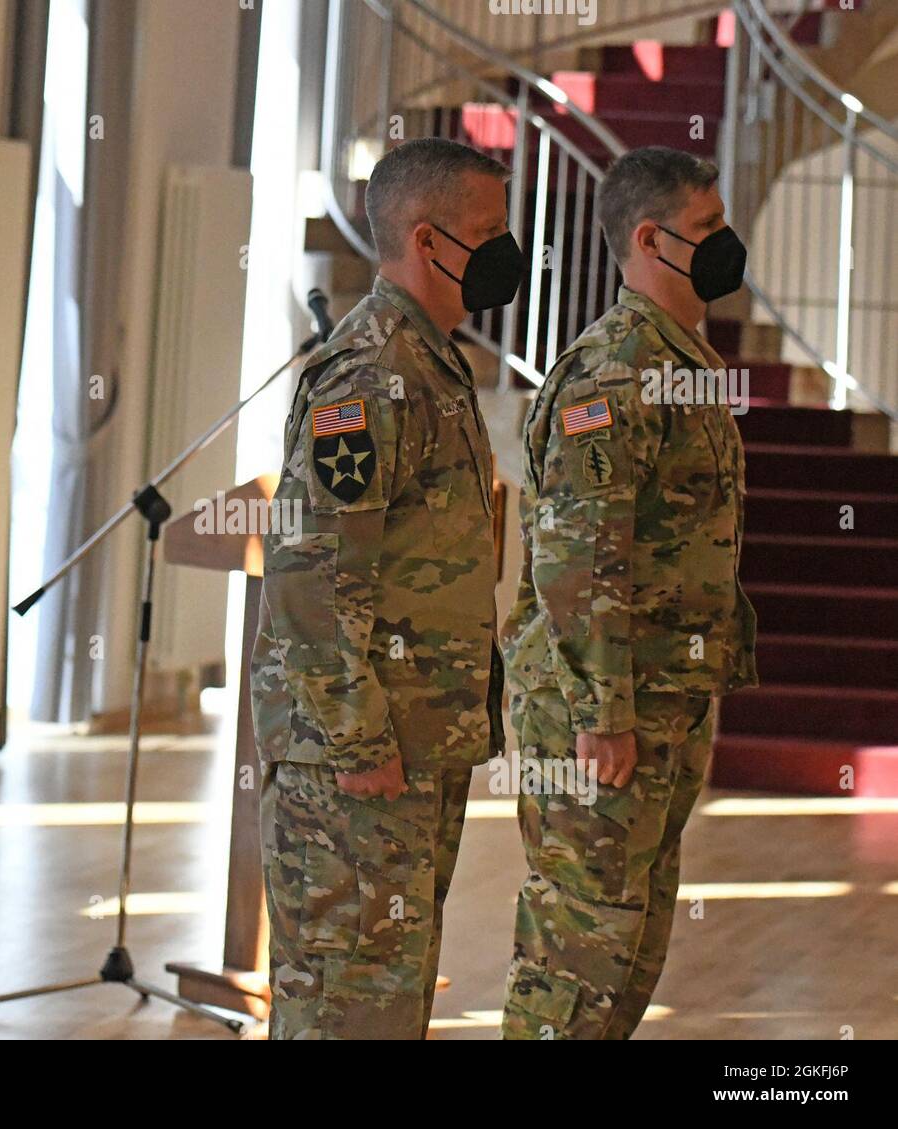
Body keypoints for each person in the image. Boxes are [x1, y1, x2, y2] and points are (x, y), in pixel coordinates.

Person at [251, 137, 524, 1039]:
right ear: (424, 238)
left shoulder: (432, 361)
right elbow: (311, 577)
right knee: (345, 1004)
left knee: (385, 999)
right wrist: (359, 736)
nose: (505, 251)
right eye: (487, 232)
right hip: (357, 762)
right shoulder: (372, 375)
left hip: (411, 748)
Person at [501, 145, 758, 1039]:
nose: (730, 243)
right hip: (602, 708)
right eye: (710, 228)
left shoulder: (682, 359)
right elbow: (579, 556)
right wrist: (604, 708)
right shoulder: (611, 371)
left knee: (631, 948)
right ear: (652, 240)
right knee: (578, 956)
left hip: (663, 698)